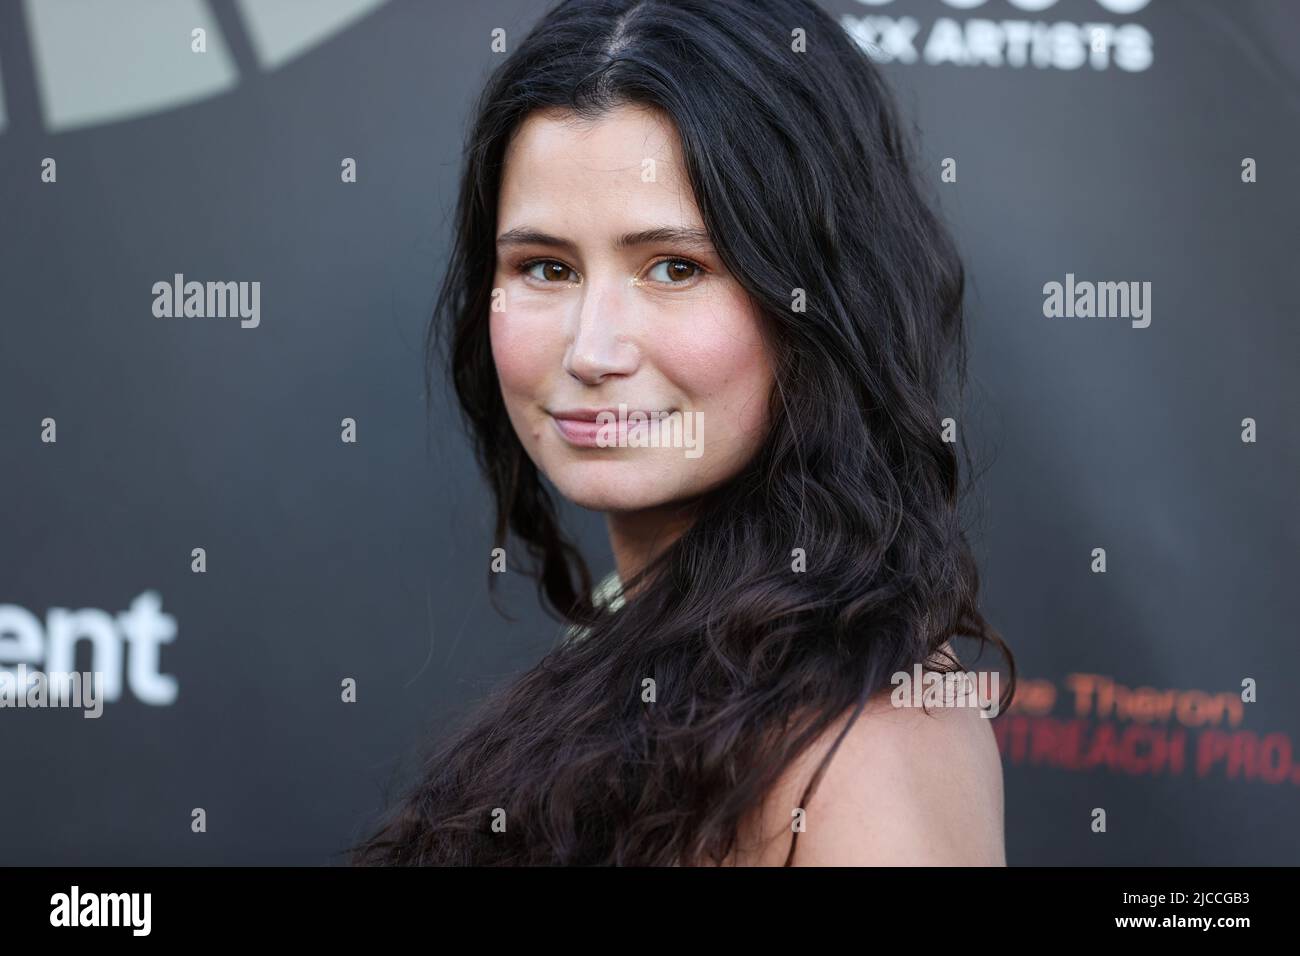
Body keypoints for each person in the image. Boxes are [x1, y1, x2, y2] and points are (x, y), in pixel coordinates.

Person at [352, 0, 1015, 866]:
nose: (591, 350)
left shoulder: (867, 744)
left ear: (817, 300)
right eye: (545, 268)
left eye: (675, 267)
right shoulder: (642, 633)